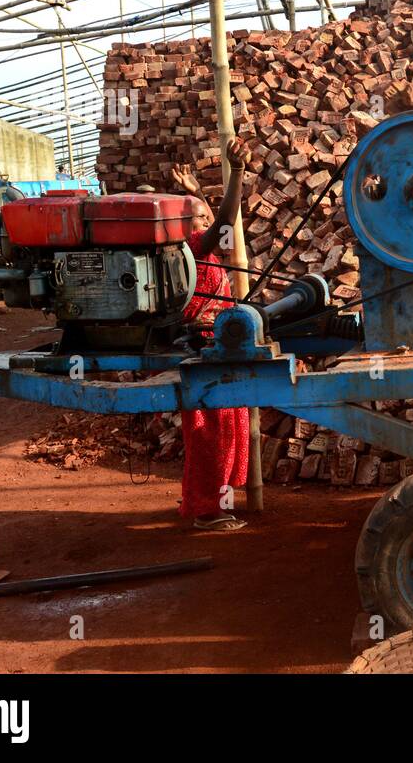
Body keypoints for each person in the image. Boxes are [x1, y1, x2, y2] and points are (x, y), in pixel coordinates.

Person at [173, 139, 252, 531]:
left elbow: (211, 221)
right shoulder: (191, 247)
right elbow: (221, 224)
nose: (204, 223)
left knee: (229, 427)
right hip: (204, 350)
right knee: (210, 436)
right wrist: (236, 171)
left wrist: (196, 194)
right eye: (197, 218)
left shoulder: (198, 245)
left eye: (204, 216)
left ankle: (214, 501)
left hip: (218, 348)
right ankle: (207, 510)